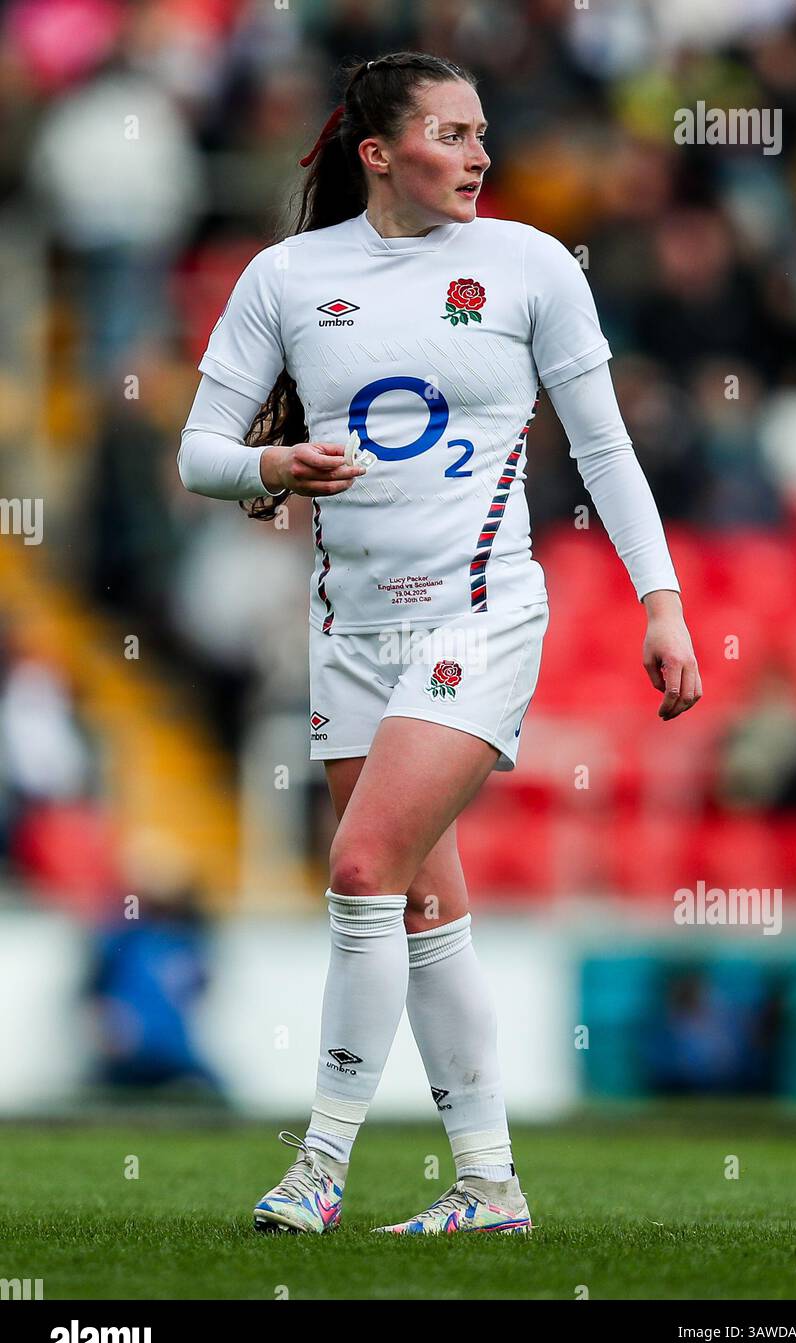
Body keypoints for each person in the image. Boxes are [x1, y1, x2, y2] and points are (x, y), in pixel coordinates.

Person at [177, 51, 702, 1237]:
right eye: (451, 134)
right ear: (379, 153)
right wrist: (271, 465)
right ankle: (488, 1186)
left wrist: (659, 600)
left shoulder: (523, 266)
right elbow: (197, 451)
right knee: (421, 906)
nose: (478, 155)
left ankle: (316, 1165)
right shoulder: (288, 276)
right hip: (347, 631)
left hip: (479, 613)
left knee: (361, 872)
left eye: (481, 134)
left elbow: (606, 447)